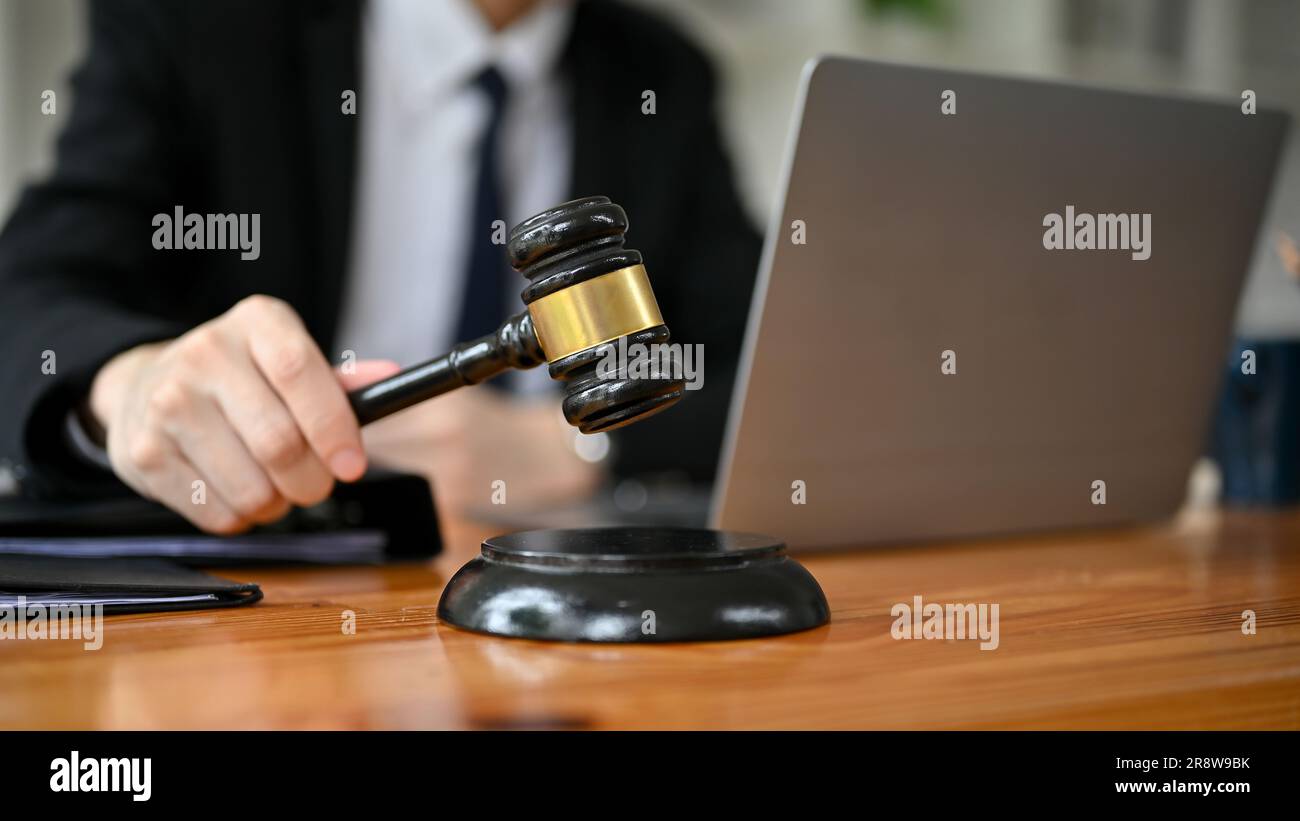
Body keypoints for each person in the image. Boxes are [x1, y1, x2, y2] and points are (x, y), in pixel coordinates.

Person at [0, 0, 760, 532]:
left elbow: (771, 364)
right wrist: (128, 384)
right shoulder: (201, 20)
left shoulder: (662, 75)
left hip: (552, 577)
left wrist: (577, 445)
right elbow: (27, 290)